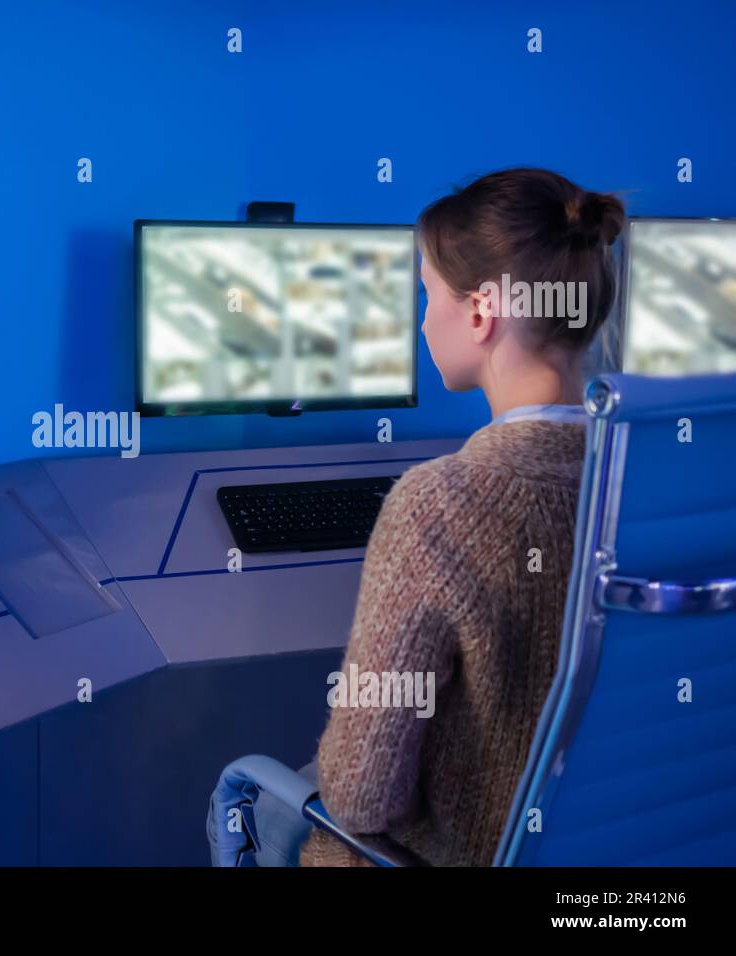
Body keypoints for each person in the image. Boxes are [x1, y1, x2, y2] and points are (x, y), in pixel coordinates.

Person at [209, 168, 626, 866]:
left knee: (250, 795)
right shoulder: (661, 485)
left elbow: (362, 798)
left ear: (481, 313)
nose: (420, 318)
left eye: (426, 292)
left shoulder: (439, 503)